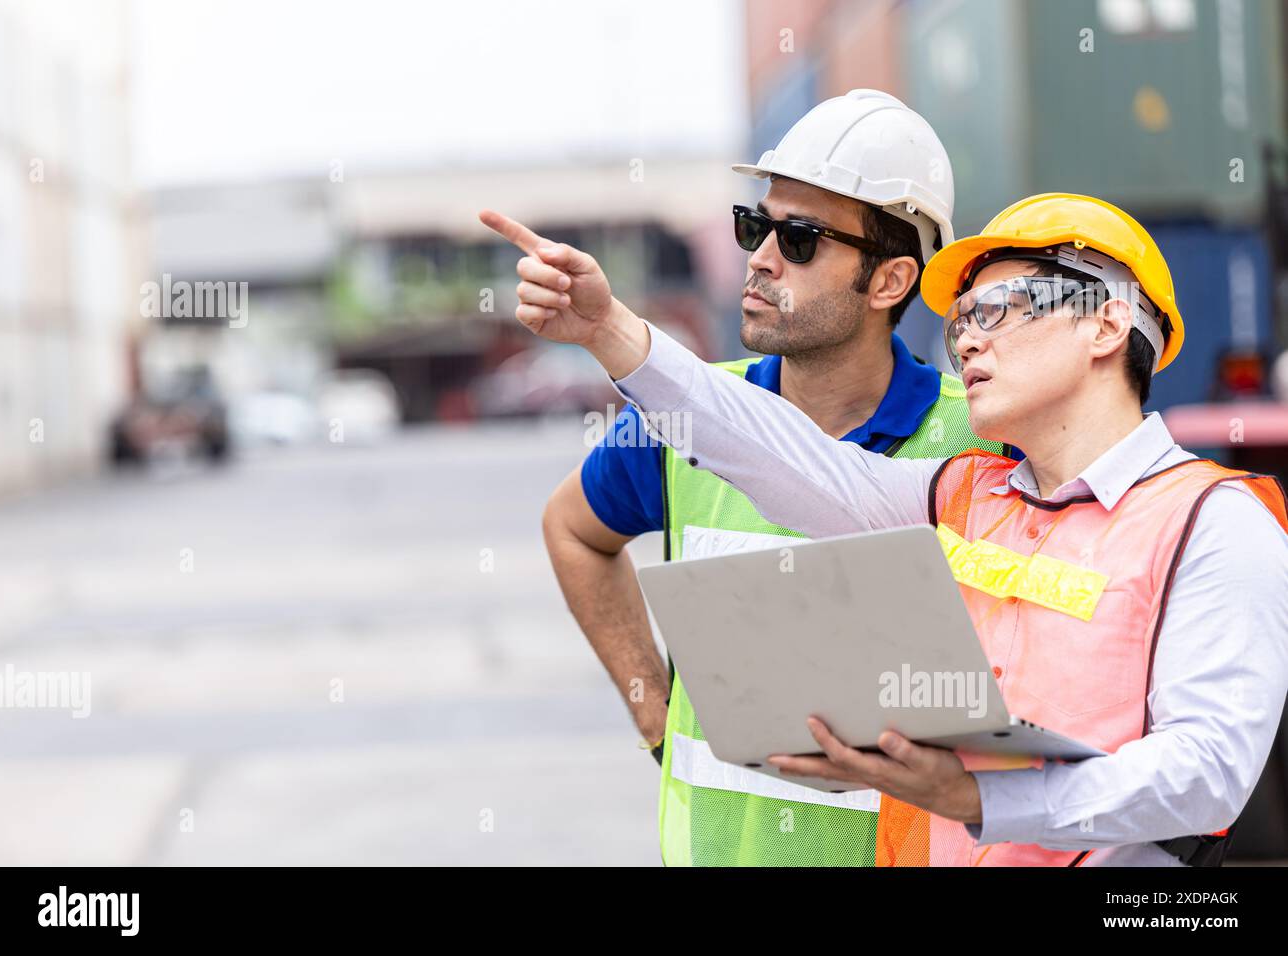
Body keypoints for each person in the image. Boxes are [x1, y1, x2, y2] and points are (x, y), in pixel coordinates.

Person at [483, 190, 1288, 866]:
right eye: (960, 320)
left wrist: (983, 798)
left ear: (1108, 327)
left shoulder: (1215, 522)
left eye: (1002, 308)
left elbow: (1209, 770)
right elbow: (785, 462)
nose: (968, 335)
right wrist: (612, 333)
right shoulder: (966, 494)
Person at [515, 90, 1007, 866]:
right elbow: (573, 529)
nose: (761, 257)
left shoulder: (980, 443)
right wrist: (654, 712)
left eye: (801, 239)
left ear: (888, 282)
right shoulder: (684, 415)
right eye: (757, 225)